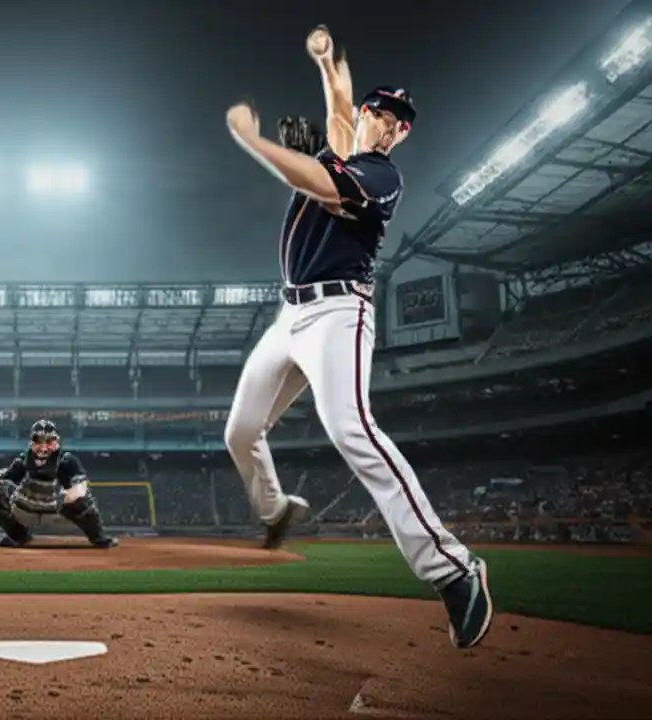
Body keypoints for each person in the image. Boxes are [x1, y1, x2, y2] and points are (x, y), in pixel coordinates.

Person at [221, 26, 492, 649]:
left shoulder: (379, 176)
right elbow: (338, 108)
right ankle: (275, 510)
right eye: (384, 112)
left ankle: (453, 571)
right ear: (369, 114)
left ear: (401, 135)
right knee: (240, 430)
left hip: (339, 314)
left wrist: (252, 139)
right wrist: (324, 62)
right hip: (290, 317)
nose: (391, 123)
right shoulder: (345, 139)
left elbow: (320, 181)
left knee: (352, 429)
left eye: (401, 121)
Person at [0, 419, 118, 548]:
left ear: (57, 442)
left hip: (57, 512)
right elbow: (1, 481)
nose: (43, 448)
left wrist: (66, 497)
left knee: (84, 499)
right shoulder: (23, 461)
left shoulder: (67, 461)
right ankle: (18, 536)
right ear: (31, 443)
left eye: (49, 442)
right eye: (38, 441)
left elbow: (81, 487)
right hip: (27, 509)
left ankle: (98, 538)